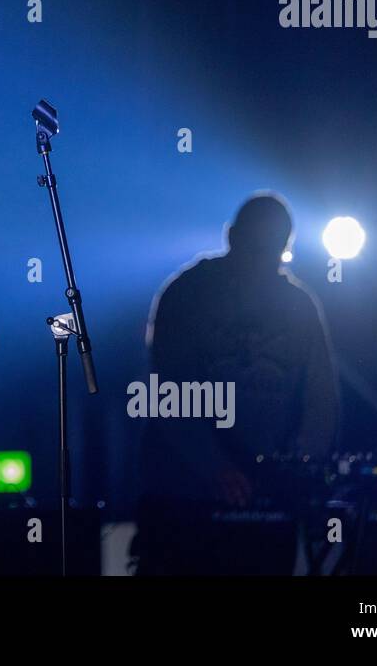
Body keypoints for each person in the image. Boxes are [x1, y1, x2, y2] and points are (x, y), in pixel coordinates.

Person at [136, 191, 339, 574]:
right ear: (232, 237)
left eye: (271, 250)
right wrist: (213, 467)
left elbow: (320, 400)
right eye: (256, 247)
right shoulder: (187, 294)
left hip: (265, 504)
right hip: (183, 501)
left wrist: (299, 467)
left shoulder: (299, 306)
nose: (262, 259)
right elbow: (170, 394)